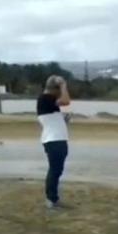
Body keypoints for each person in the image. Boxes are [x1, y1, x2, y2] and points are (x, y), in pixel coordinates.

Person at [37, 75, 71, 209]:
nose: (60, 94)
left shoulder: (47, 101)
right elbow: (66, 101)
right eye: (59, 90)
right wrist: (63, 85)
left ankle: (53, 199)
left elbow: (50, 121)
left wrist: (63, 121)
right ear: (54, 89)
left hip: (55, 139)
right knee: (55, 170)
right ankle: (51, 199)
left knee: (56, 170)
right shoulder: (46, 98)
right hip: (54, 140)